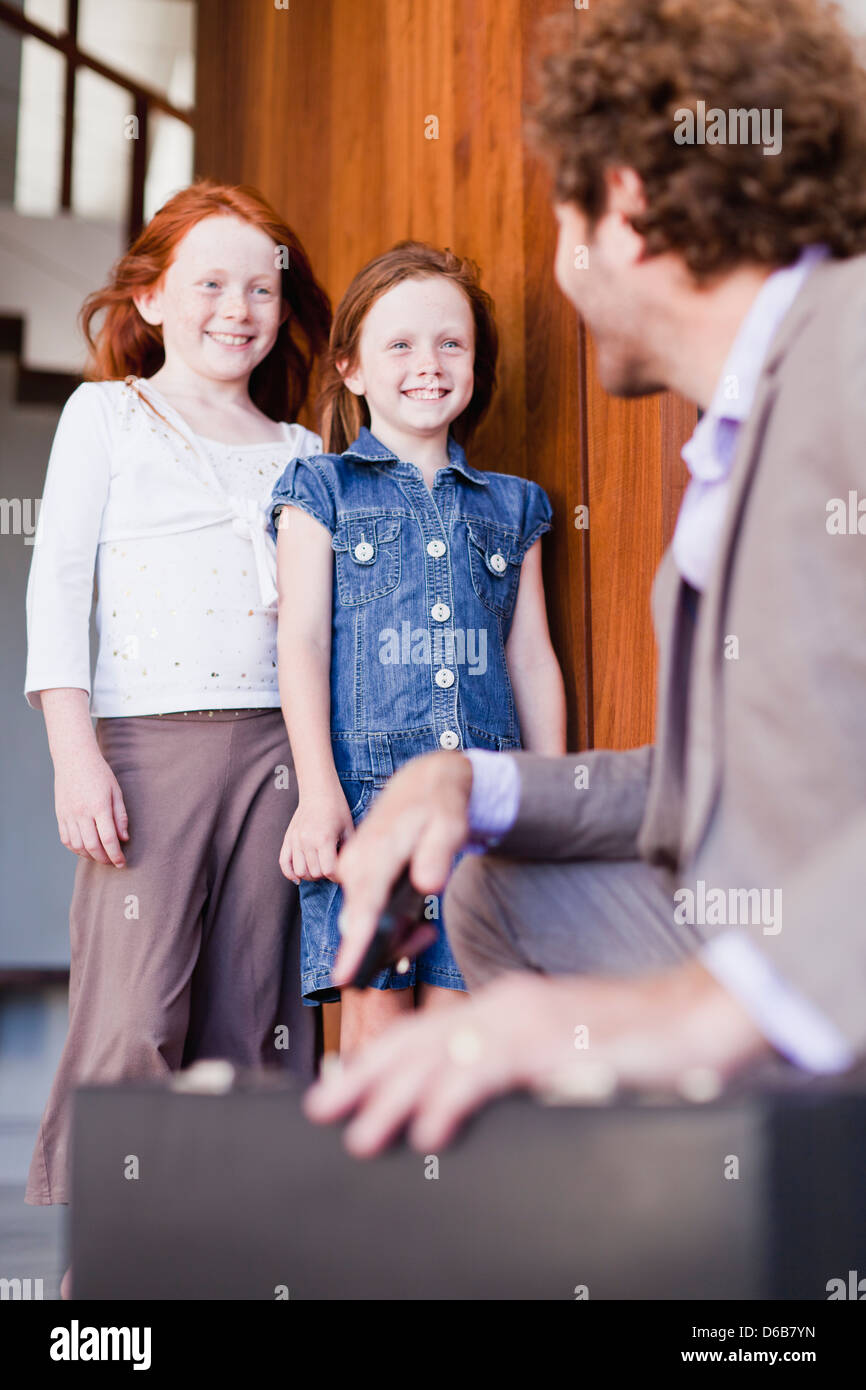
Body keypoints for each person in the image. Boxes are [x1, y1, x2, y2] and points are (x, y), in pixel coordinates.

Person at [301, 0, 866, 1154]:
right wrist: (476, 783)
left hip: (803, 965)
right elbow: (714, 784)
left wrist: (705, 1015)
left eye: (561, 216)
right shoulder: (739, 424)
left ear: (623, 203)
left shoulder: (851, 349)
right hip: (762, 931)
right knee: (492, 885)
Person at [24, 180, 331, 1236]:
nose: (236, 307)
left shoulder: (304, 453)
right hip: (145, 749)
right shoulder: (107, 414)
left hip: (280, 754)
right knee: (135, 1016)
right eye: (209, 283)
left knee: (255, 1019)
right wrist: (76, 756)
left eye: (259, 287)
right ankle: (103, 1277)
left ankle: (225, 1263)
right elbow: (56, 588)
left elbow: (316, 632)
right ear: (151, 299)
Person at [269, 241, 566, 1053]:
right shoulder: (319, 490)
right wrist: (318, 793)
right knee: (373, 1014)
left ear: (476, 366)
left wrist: (548, 797)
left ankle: (452, 1181)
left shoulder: (515, 507)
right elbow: (300, 641)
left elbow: (532, 657)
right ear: (352, 370)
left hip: (480, 804)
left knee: (463, 1017)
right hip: (367, 802)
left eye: (451, 343)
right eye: (398, 344)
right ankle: (362, 1184)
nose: (427, 363)